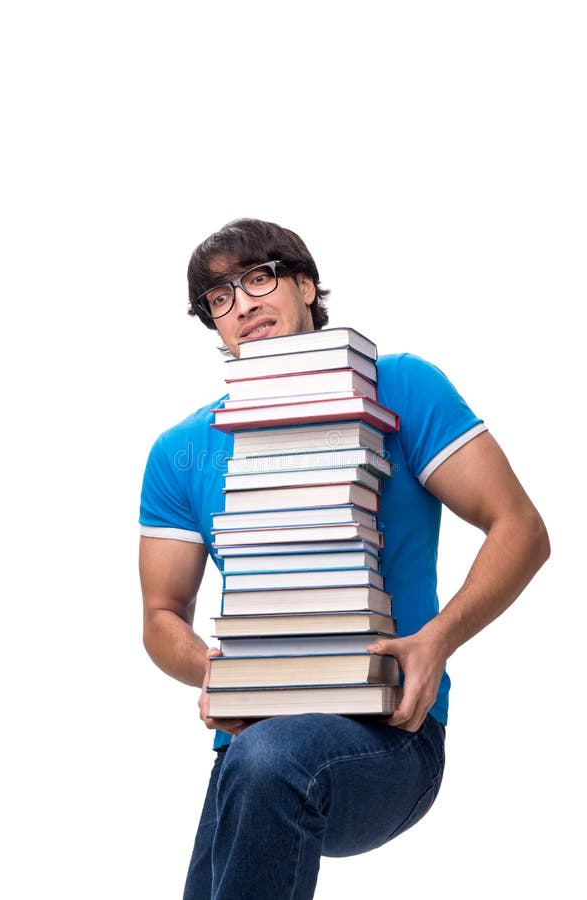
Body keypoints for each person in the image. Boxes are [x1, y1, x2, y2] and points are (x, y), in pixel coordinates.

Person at [138, 218, 550, 900]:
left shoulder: (403, 388)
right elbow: (160, 613)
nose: (240, 303)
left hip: (390, 736)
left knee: (272, 761)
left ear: (305, 285)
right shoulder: (180, 451)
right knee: (257, 770)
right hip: (246, 749)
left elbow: (520, 528)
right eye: (218, 296)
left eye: (258, 278)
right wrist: (212, 669)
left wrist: (436, 641)